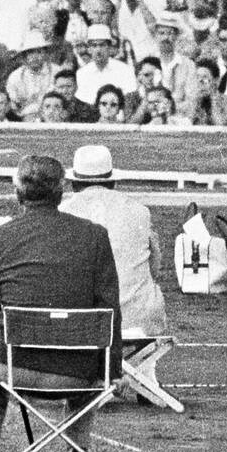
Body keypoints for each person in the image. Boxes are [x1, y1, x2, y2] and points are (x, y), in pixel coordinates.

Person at [0, 154, 122, 452]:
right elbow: (109, 310)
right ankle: (79, 446)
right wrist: (112, 372)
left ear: (18, 192)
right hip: (80, 373)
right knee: (88, 340)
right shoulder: (95, 236)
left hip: (14, 366)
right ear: (62, 191)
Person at [62, 144, 167, 340]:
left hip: (81, 322)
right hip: (138, 321)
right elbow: (155, 268)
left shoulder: (63, 212)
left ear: (74, 183)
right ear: (112, 182)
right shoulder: (139, 211)